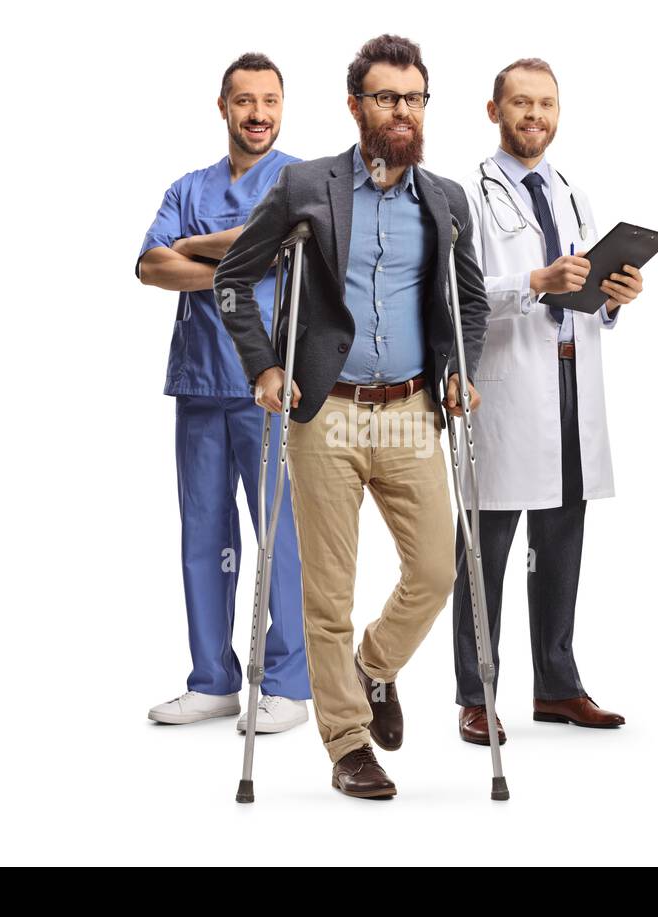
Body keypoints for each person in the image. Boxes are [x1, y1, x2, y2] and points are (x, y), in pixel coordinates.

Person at [215, 35, 490, 798]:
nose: (401, 111)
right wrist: (264, 367)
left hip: (408, 411)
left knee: (437, 568)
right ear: (356, 106)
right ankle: (346, 745)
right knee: (327, 593)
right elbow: (233, 279)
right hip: (326, 413)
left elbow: (467, 301)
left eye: (413, 98)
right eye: (386, 97)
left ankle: (374, 668)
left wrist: (458, 370)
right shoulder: (307, 186)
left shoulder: (445, 199)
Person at [452, 58, 645, 747]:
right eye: (522, 104)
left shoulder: (570, 193)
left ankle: (557, 686)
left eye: (547, 105)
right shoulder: (468, 196)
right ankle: (476, 695)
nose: (535, 116)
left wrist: (613, 297)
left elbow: (585, 291)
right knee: (487, 548)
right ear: (494, 110)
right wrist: (533, 280)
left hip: (569, 380)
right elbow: (460, 292)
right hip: (503, 390)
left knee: (562, 536)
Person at [136, 53, 310, 734]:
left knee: (282, 535)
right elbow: (151, 265)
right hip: (200, 383)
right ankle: (212, 680)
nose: (258, 114)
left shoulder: (298, 182)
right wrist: (238, 266)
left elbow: (277, 246)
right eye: (245, 101)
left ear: (281, 108)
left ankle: (288, 682)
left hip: (269, 382)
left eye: (269, 100)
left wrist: (199, 250)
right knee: (207, 535)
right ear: (223, 107)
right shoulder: (188, 185)